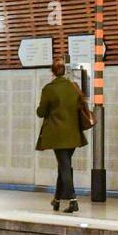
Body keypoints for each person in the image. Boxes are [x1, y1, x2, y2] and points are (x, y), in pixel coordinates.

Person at [36, 61, 86, 213]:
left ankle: (73, 200)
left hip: (58, 135)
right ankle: (56, 200)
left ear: (52, 72)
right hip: (73, 134)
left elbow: (41, 112)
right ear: (64, 72)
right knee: (63, 166)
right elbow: (80, 107)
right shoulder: (73, 87)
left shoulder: (49, 89)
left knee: (64, 167)